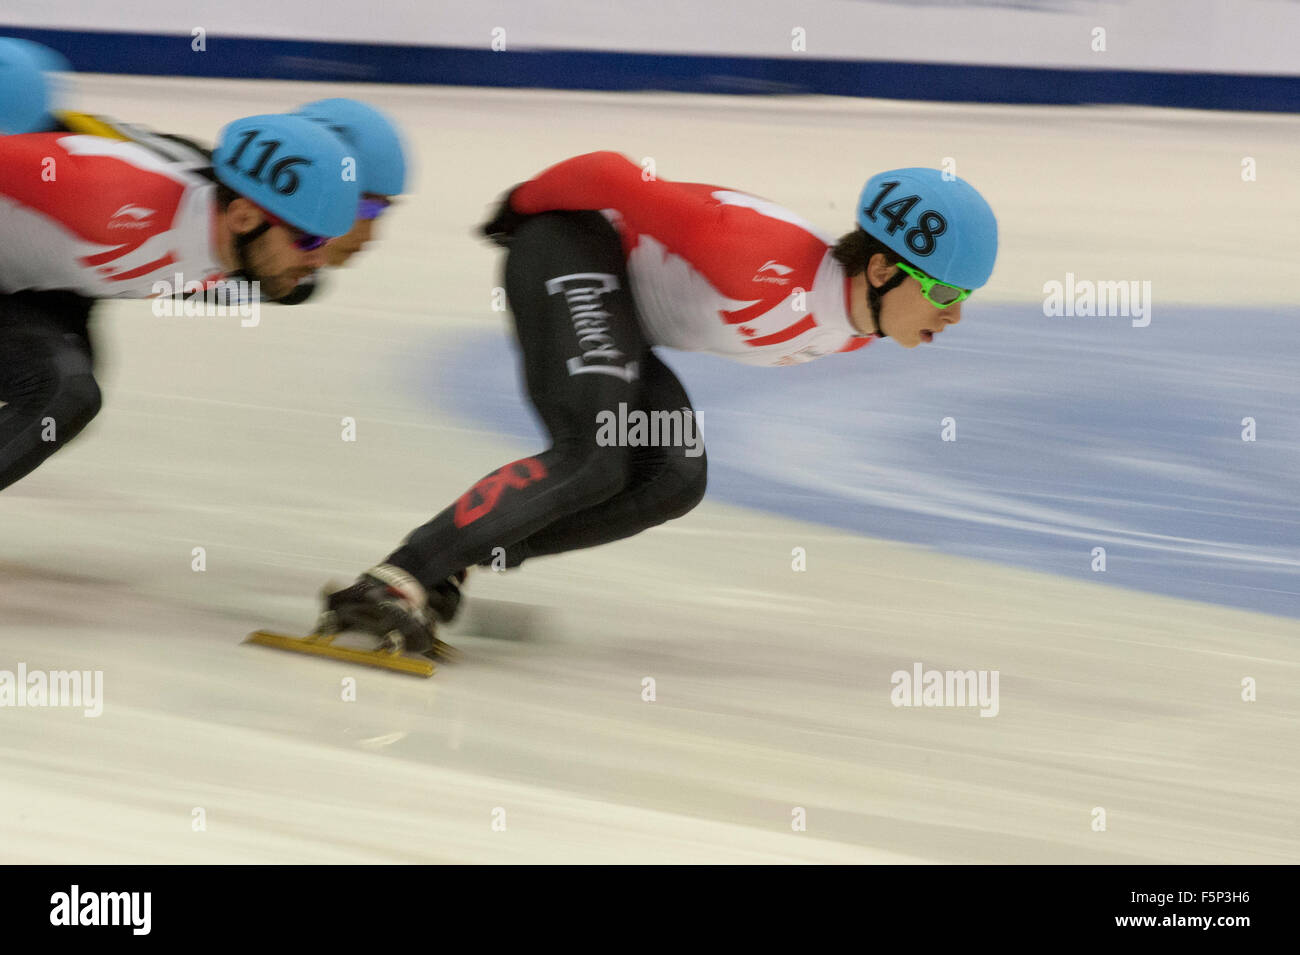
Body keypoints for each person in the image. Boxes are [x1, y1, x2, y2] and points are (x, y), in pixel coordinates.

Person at [317, 152, 998, 660]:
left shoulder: (851, 333)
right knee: (593, 454)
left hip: (625, 312)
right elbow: (616, 176)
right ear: (881, 269)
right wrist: (521, 204)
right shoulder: (750, 254)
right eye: (945, 293)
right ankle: (395, 578)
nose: (956, 314)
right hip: (570, 245)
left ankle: (455, 562)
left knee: (671, 479)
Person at [0, 114, 359, 491]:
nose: (319, 261)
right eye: (308, 241)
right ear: (243, 216)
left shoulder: (239, 256)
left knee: (69, 383)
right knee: (65, 390)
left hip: (31, 293)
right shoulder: (108, 188)